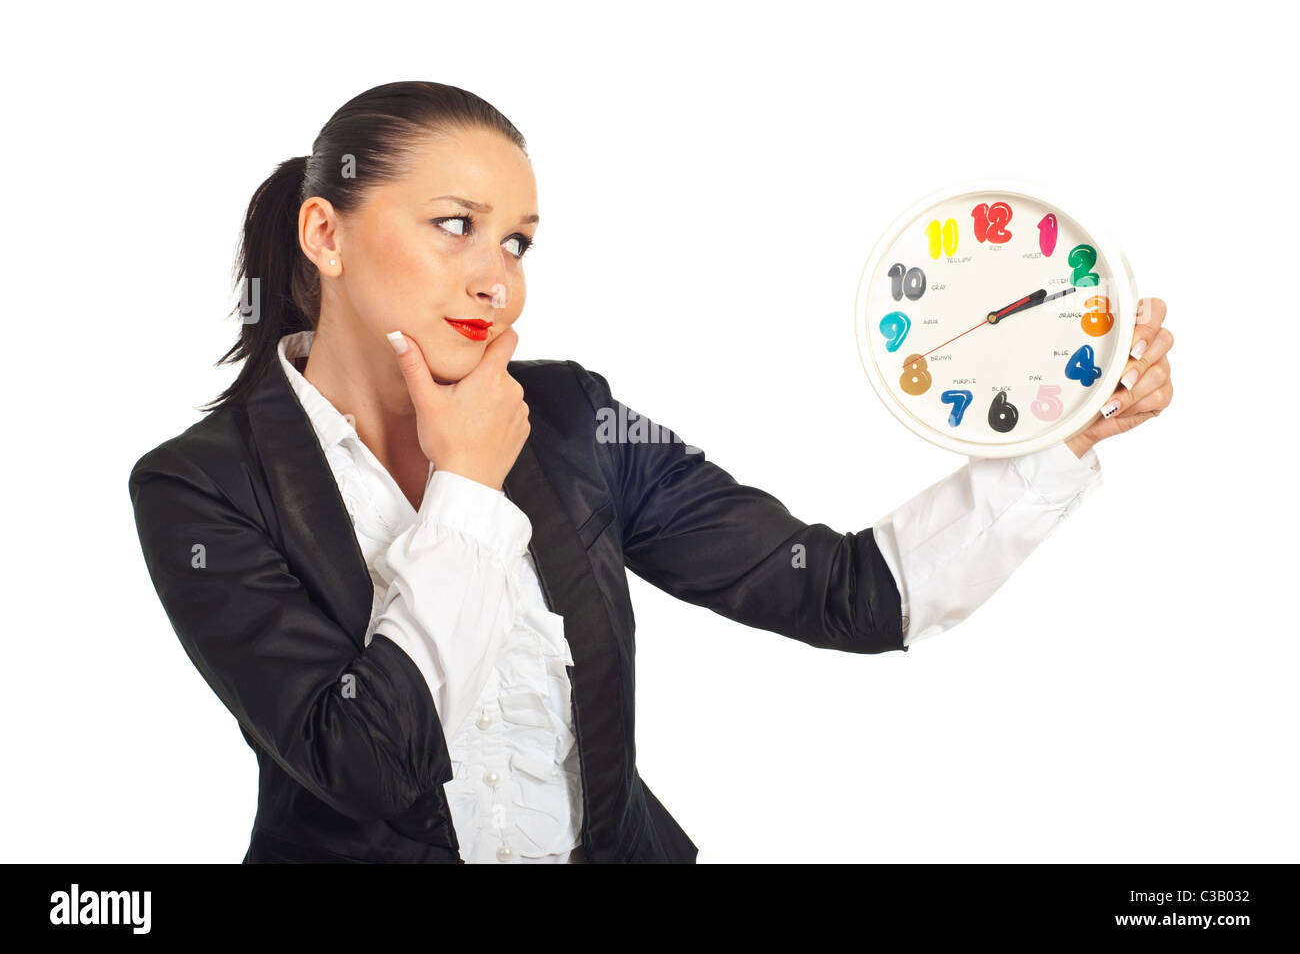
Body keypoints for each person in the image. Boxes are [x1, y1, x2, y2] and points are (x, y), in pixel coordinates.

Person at [127, 81, 1175, 864]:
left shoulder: (575, 419)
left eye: (520, 242)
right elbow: (360, 761)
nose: (497, 280)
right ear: (327, 233)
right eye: (455, 228)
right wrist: (469, 493)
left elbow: (847, 591)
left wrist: (1070, 429)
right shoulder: (200, 487)